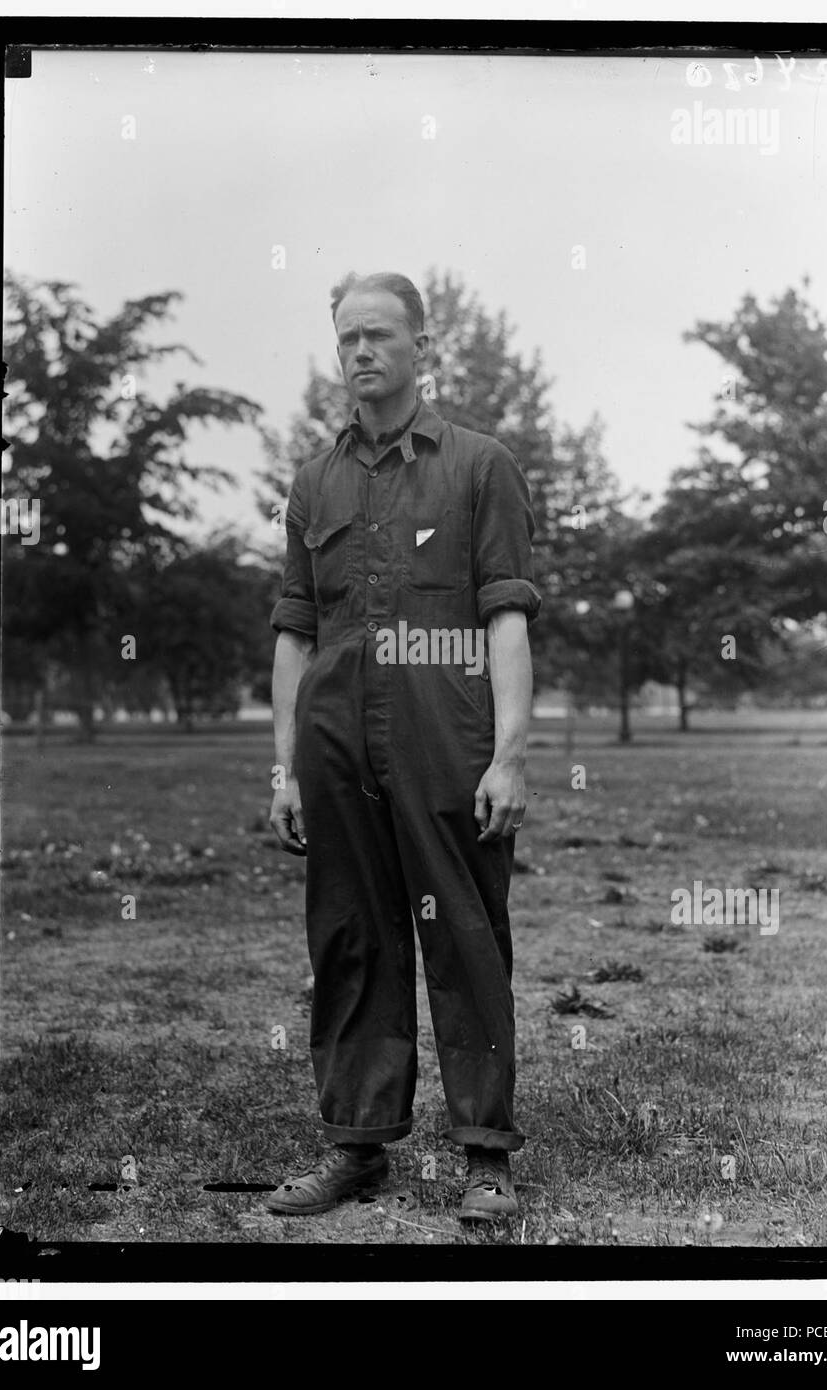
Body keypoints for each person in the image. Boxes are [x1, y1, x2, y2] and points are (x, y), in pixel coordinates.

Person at [267, 271, 540, 1222]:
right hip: (336, 748)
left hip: (445, 744)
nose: (360, 353)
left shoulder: (479, 466)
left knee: (466, 937)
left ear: (424, 348)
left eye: (379, 336)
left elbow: (507, 618)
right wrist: (285, 764)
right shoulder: (314, 482)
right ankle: (356, 1146)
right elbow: (295, 633)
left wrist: (507, 755)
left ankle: (486, 1158)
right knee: (349, 937)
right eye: (347, 339)